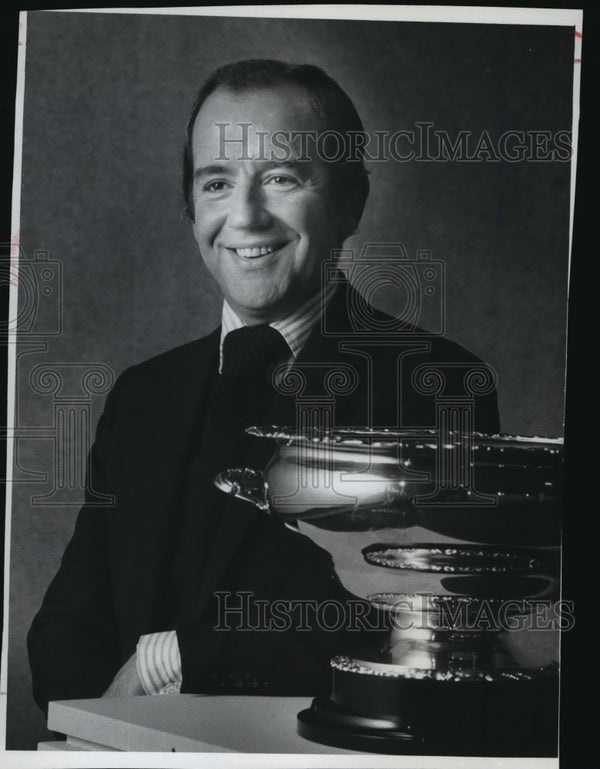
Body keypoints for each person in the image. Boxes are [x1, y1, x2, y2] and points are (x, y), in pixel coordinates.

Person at [27, 60, 500, 714]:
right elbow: (65, 623)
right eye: (217, 182)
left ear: (350, 201)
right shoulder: (141, 395)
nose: (245, 217)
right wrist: (99, 732)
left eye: (281, 178)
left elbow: (420, 623)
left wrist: (172, 662)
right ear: (191, 207)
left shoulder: (438, 384)